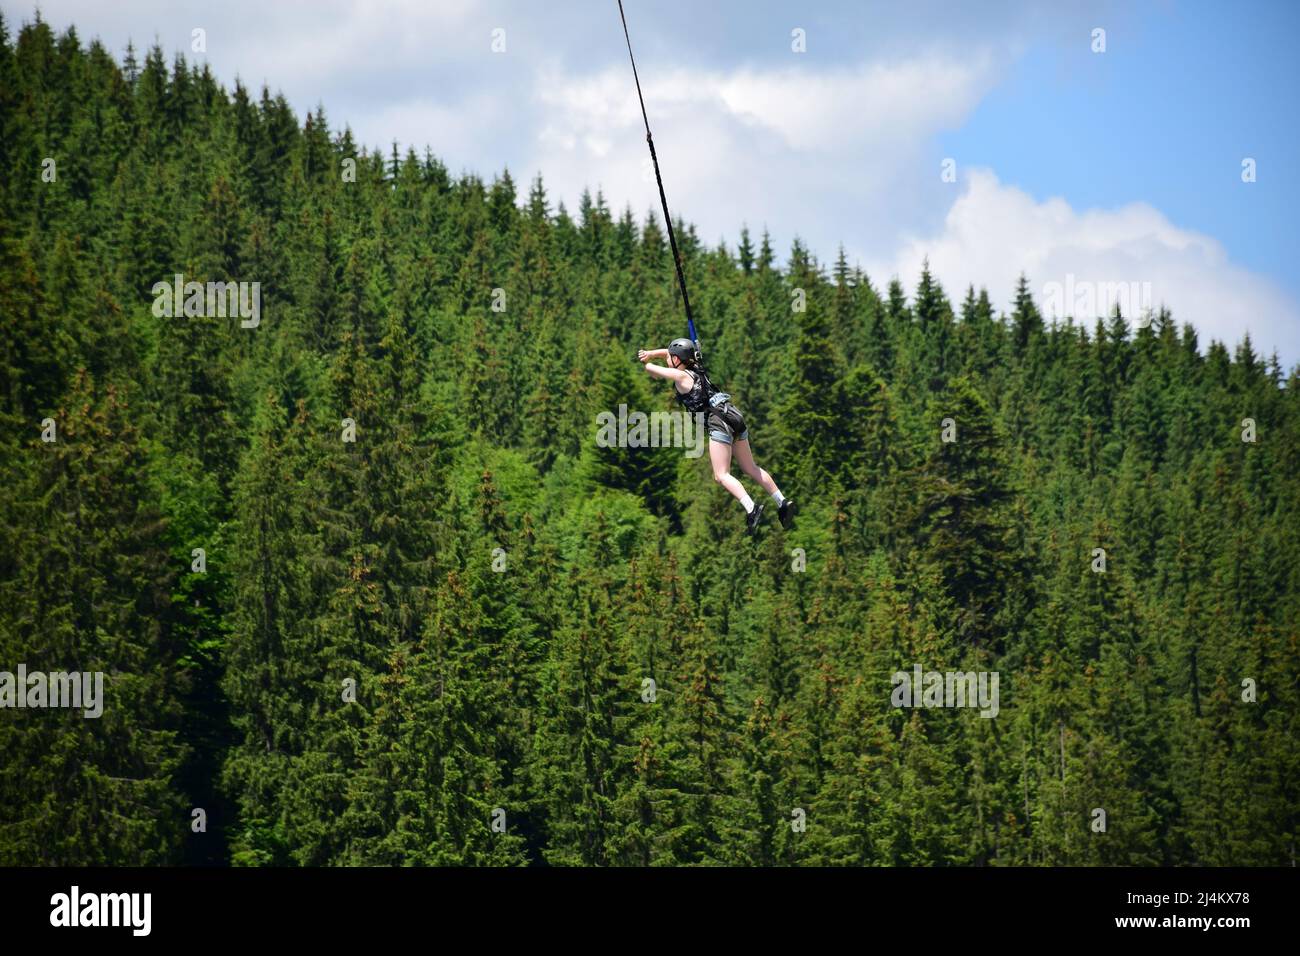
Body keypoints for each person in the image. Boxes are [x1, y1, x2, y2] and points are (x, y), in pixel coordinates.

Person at [638, 338, 794, 535]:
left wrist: (647, 362)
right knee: (750, 467)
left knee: (721, 475)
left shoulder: (681, 376)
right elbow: (669, 354)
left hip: (718, 422)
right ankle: (782, 502)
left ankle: (751, 508)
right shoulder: (697, 367)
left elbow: (653, 370)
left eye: (671, 357)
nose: (668, 358)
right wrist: (652, 353)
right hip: (733, 414)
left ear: (677, 360)